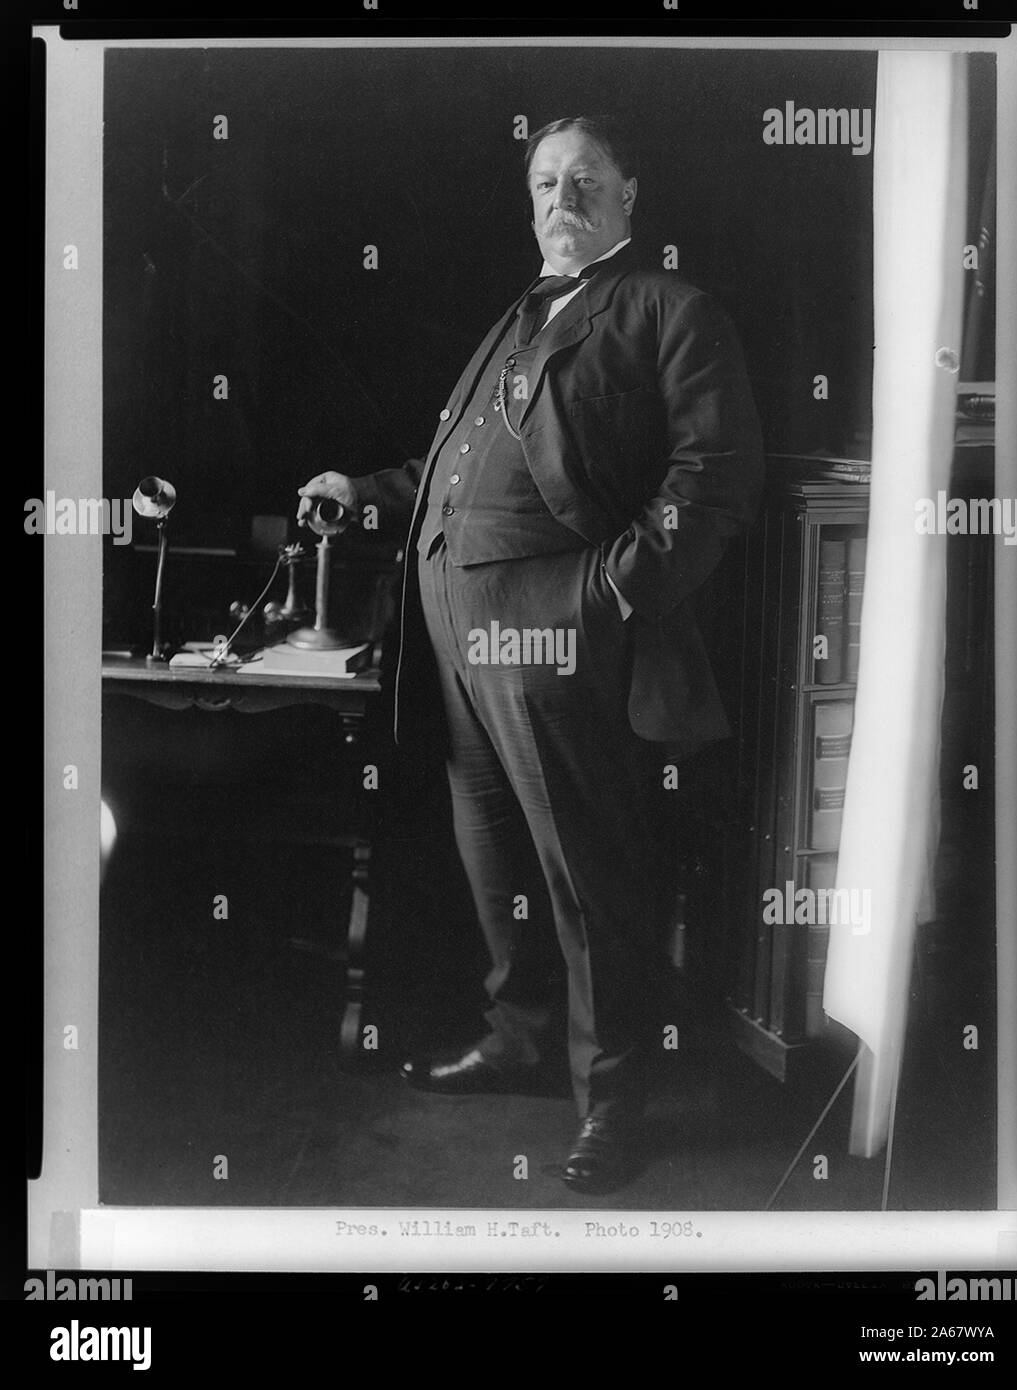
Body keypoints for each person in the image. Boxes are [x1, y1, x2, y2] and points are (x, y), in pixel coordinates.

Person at [297, 115, 763, 1193]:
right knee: (494, 858)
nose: (564, 198)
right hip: (456, 638)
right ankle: (518, 1039)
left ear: (630, 196)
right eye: (547, 182)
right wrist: (365, 492)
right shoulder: (515, 319)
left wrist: (601, 596)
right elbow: (457, 471)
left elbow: (713, 483)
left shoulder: (669, 310)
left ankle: (614, 1102)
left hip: (559, 635)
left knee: (587, 875)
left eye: (587, 180)